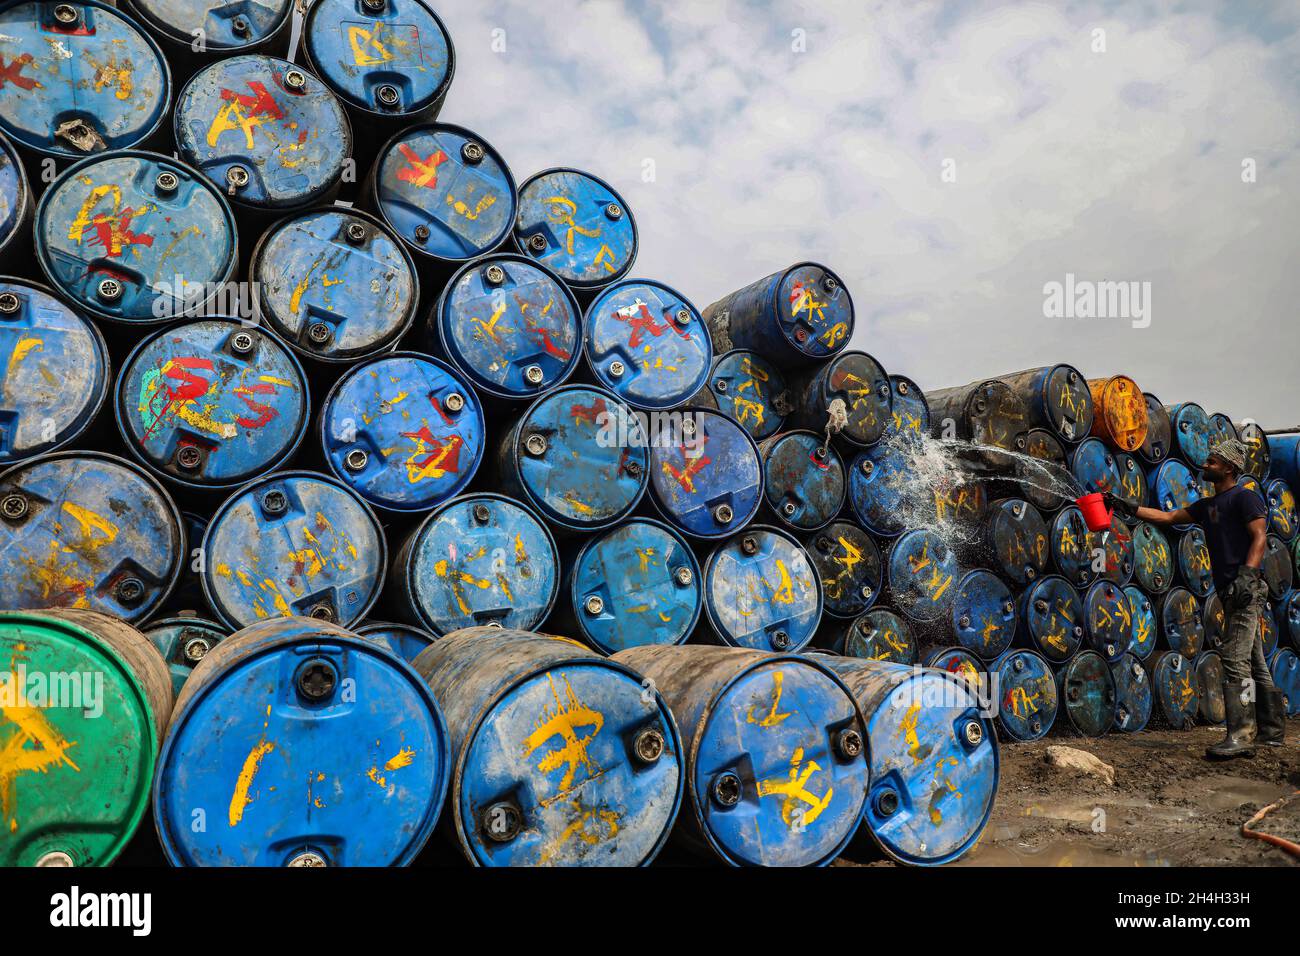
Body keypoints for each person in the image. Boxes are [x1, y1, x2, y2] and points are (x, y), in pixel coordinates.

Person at [1105, 438, 1283, 758]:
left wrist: (1247, 575)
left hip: (1246, 589)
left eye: (1212, 462)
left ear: (1229, 468)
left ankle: (1242, 735)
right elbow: (1168, 518)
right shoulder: (1207, 505)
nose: (1205, 465)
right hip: (1231, 591)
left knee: (1233, 658)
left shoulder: (1245, 499)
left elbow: (1260, 537)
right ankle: (1272, 731)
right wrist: (1126, 506)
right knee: (1254, 659)